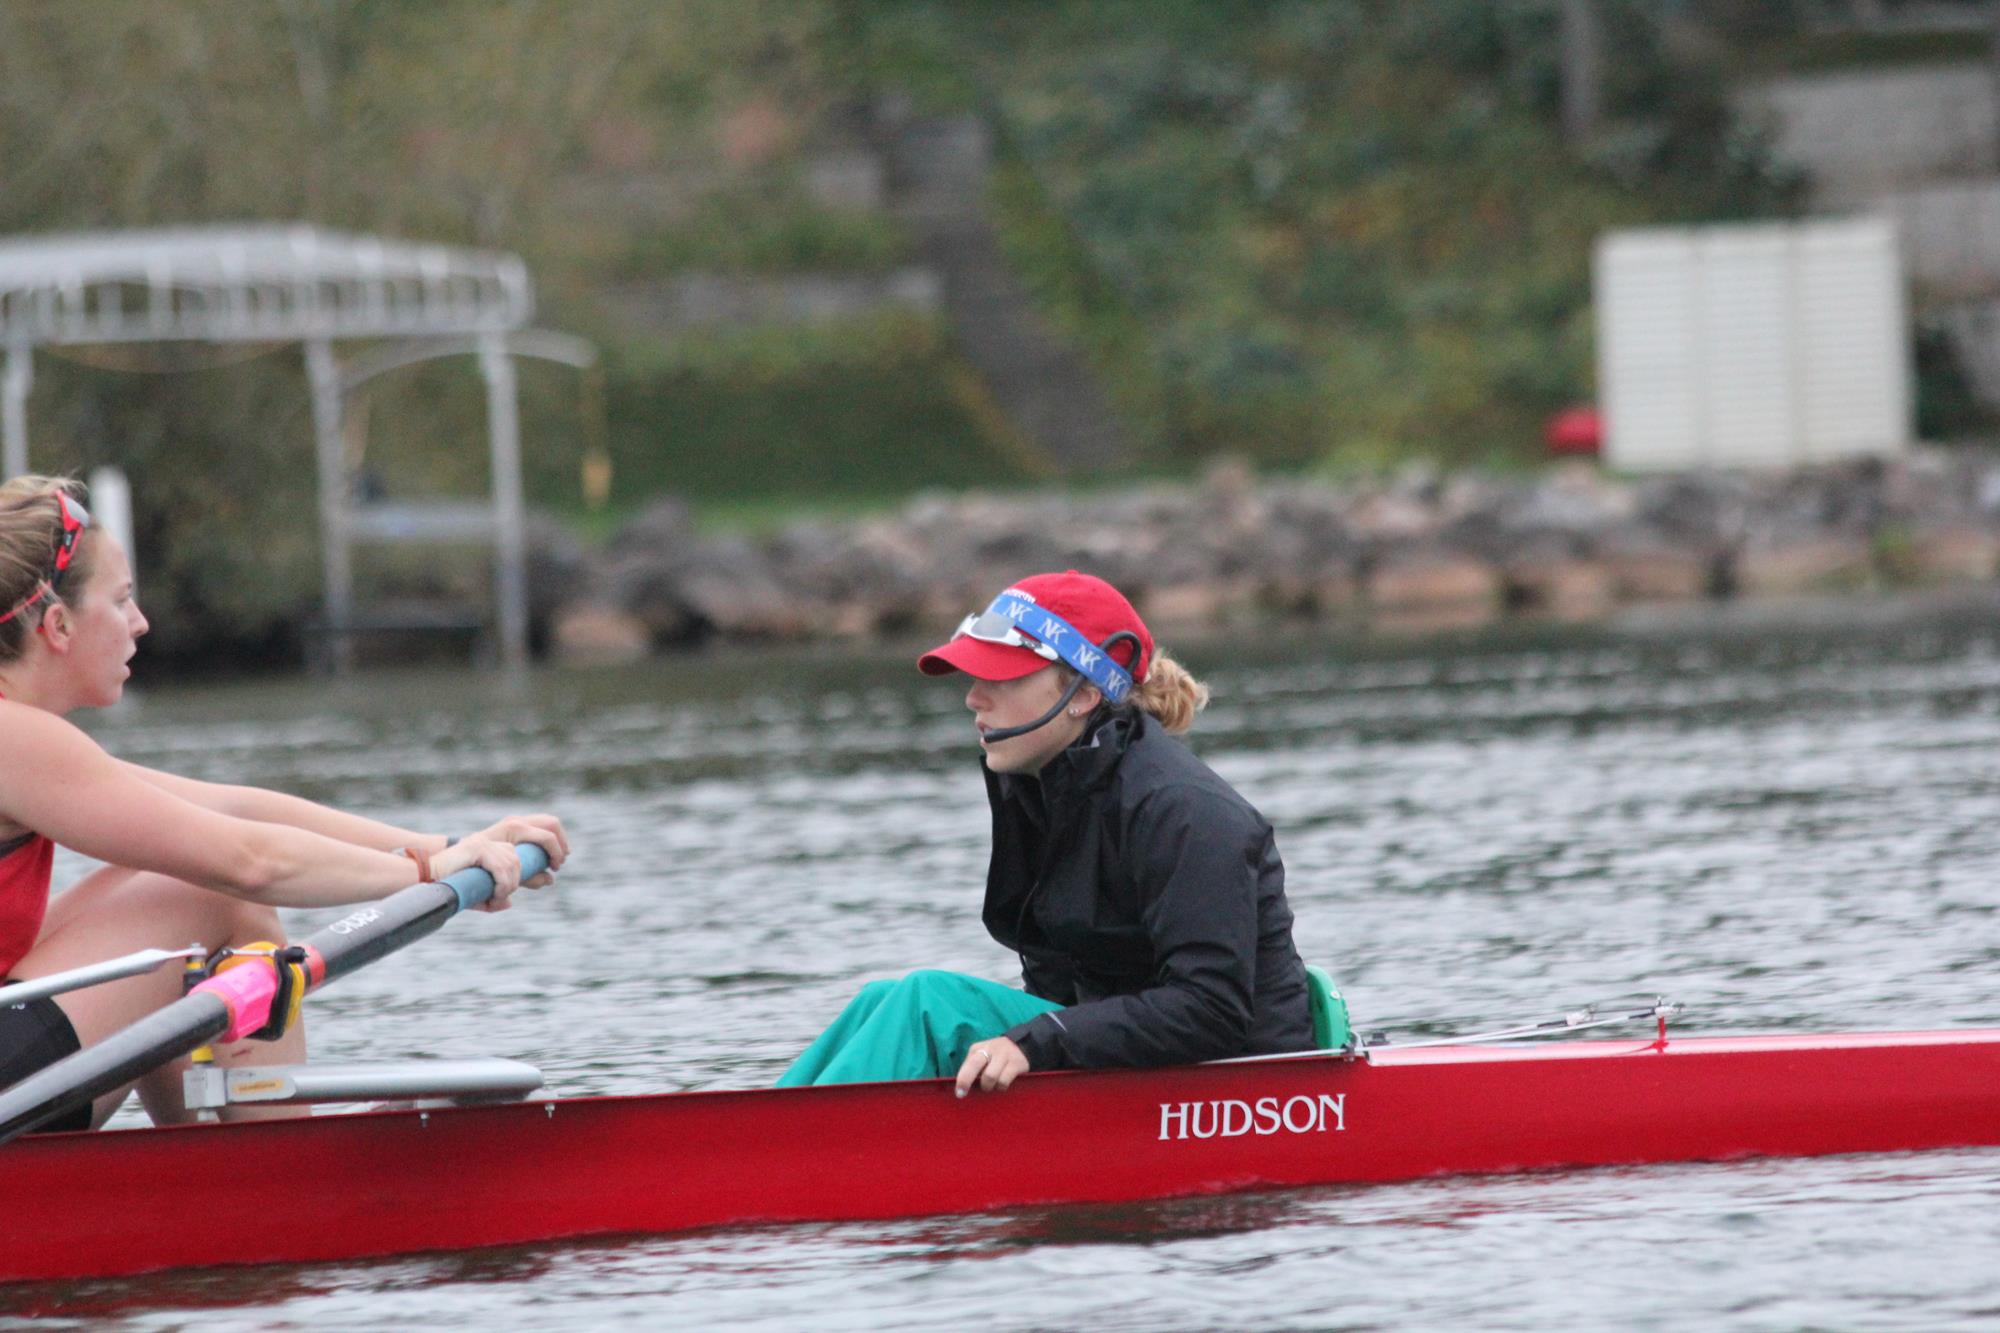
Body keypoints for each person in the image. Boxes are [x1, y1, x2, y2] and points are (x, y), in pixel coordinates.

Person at [0, 474, 570, 1130]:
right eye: (122, 600)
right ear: (59, 623)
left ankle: (217, 1178)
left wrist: (447, 846)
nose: (141, 622)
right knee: (214, 893)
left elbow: (235, 810)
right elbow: (249, 861)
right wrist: (422, 874)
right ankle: (276, 1167)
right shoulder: (18, 740)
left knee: (193, 886)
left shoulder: (23, 742)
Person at [779, 569, 1332, 1096]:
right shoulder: (1041, 786)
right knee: (885, 1000)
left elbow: (1211, 1010)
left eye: (1002, 675)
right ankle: (744, 1135)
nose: (974, 697)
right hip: (1130, 1074)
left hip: (1243, 1088)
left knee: (929, 1003)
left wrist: (1041, 1041)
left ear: (1085, 696)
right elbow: (1057, 987)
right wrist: (1039, 1042)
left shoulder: (1187, 812)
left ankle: (777, 1164)